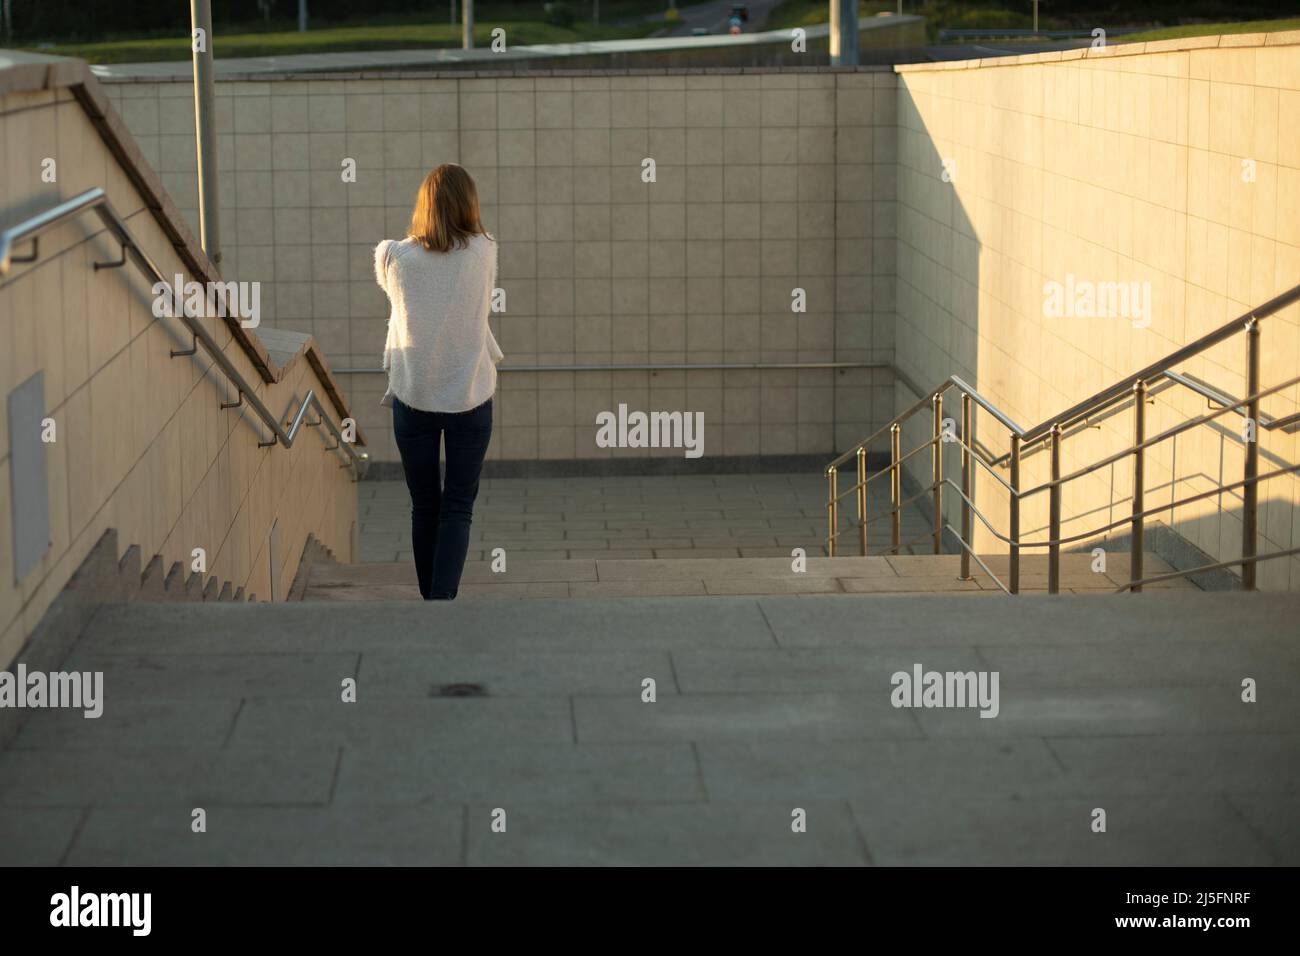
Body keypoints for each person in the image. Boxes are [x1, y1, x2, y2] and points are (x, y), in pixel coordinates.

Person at [373, 164, 504, 600]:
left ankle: (430, 602)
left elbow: (396, 300)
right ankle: (442, 603)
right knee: (457, 508)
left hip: (414, 397)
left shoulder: (394, 256)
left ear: (423, 203)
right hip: (471, 395)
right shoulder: (485, 251)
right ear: (470, 203)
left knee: (424, 505)